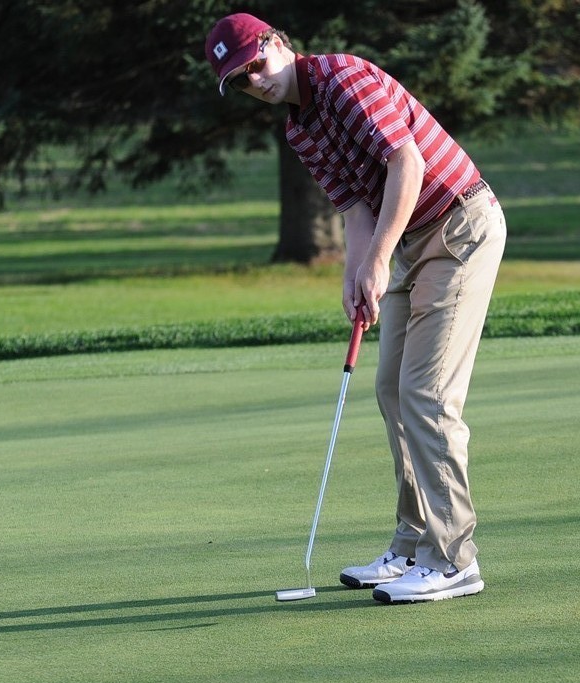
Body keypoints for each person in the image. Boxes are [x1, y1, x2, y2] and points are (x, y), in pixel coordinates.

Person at [205, 13, 506, 604]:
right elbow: (354, 207)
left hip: (460, 227)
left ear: (277, 43)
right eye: (240, 81)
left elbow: (406, 163)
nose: (255, 82)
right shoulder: (299, 130)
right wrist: (355, 272)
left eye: (255, 64)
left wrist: (379, 260)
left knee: (427, 395)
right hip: (408, 240)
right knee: (392, 390)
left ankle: (454, 559)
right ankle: (413, 544)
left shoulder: (343, 79)